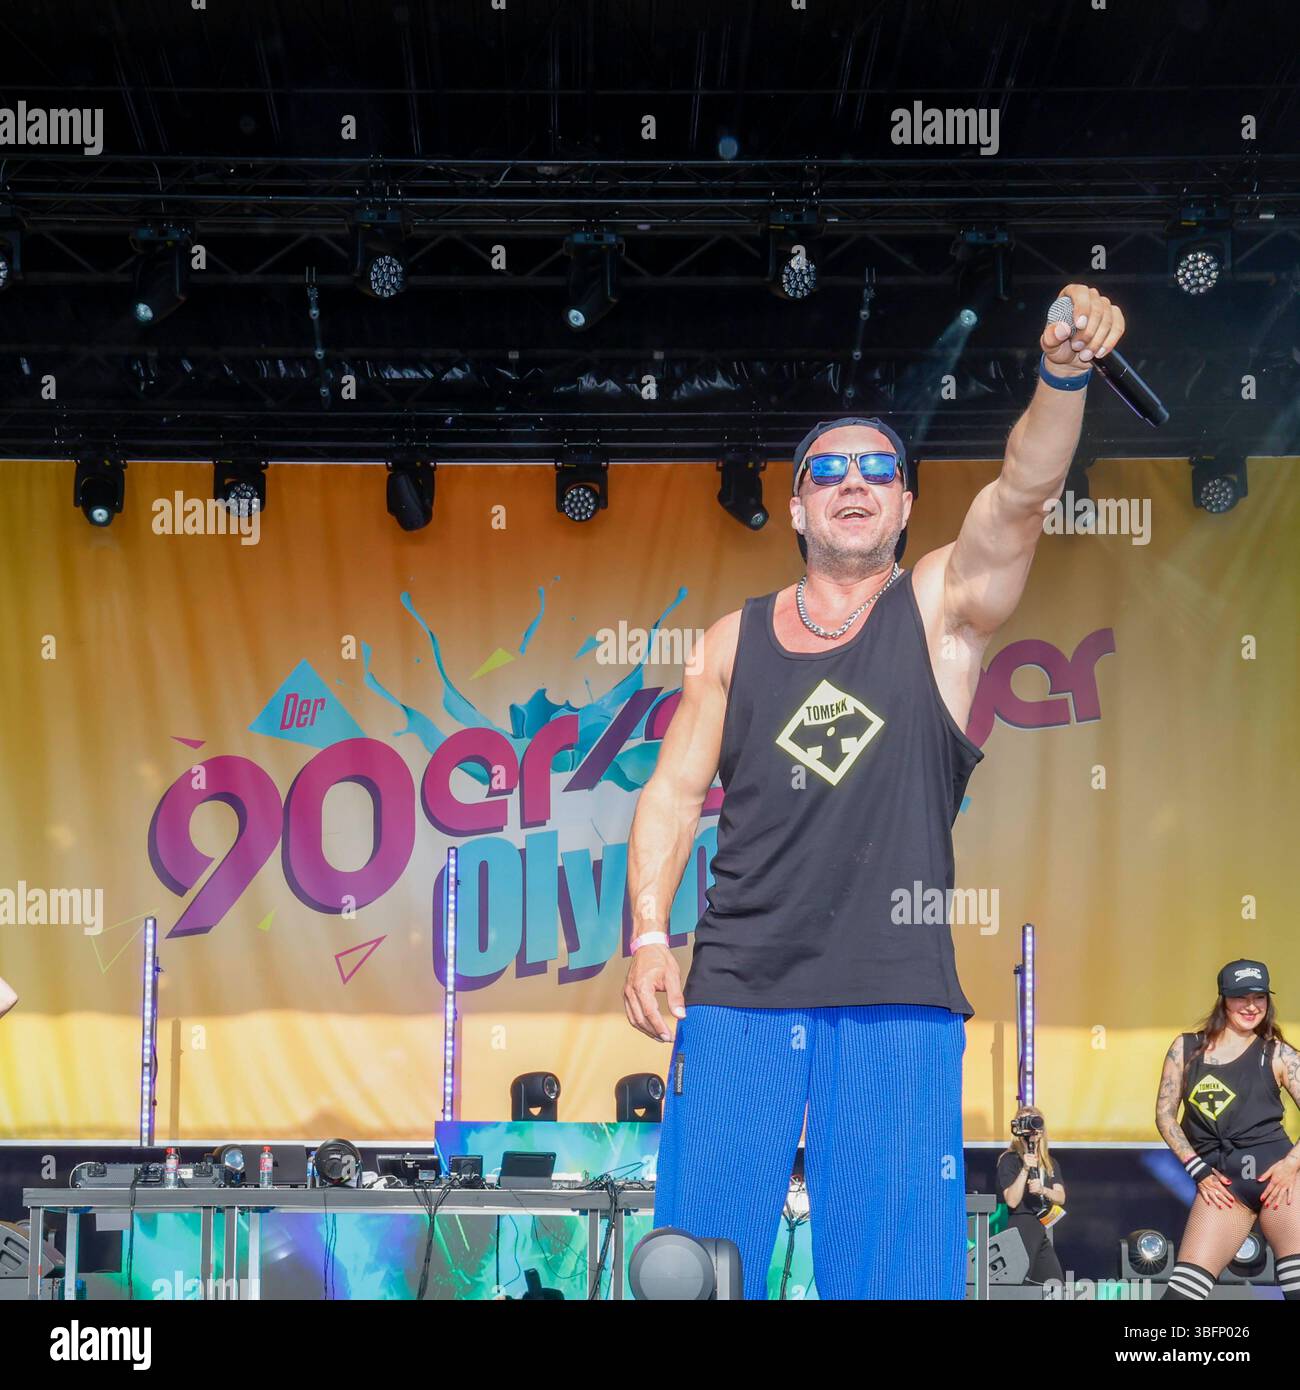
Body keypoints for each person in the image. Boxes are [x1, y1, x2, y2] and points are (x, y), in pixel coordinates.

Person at [625, 285, 1126, 1299]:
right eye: (827, 471)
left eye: (877, 470)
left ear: (904, 503)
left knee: (893, 1277)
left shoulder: (940, 610)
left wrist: (1062, 375)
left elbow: (1021, 495)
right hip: (737, 994)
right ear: (798, 503)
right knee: (691, 1272)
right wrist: (644, 931)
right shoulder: (730, 642)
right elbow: (673, 794)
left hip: (895, 992)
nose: (852, 483)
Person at [1156, 959, 1300, 1301]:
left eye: (1259, 997)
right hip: (1223, 1189)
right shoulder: (1186, 1048)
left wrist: (1291, 1164)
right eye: (1241, 997)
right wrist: (1199, 1170)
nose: (1252, 1006)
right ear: (1223, 999)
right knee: (1181, 1295)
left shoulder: (1277, 1053)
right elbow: (1165, 1115)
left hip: (1280, 1187)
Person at [995, 1104, 1065, 1286]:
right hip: (1021, 1224)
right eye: (1025, 1124)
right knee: (1018, 1282)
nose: (1031, 1130)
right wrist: (1025, 1168)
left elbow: (1061, 1197)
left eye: (1035, 1123)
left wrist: (1043, 1190)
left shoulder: (1049, 1163)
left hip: (1041, 1225)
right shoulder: (1009, 1160)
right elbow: (1011, 1200)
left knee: (1054, 1283)